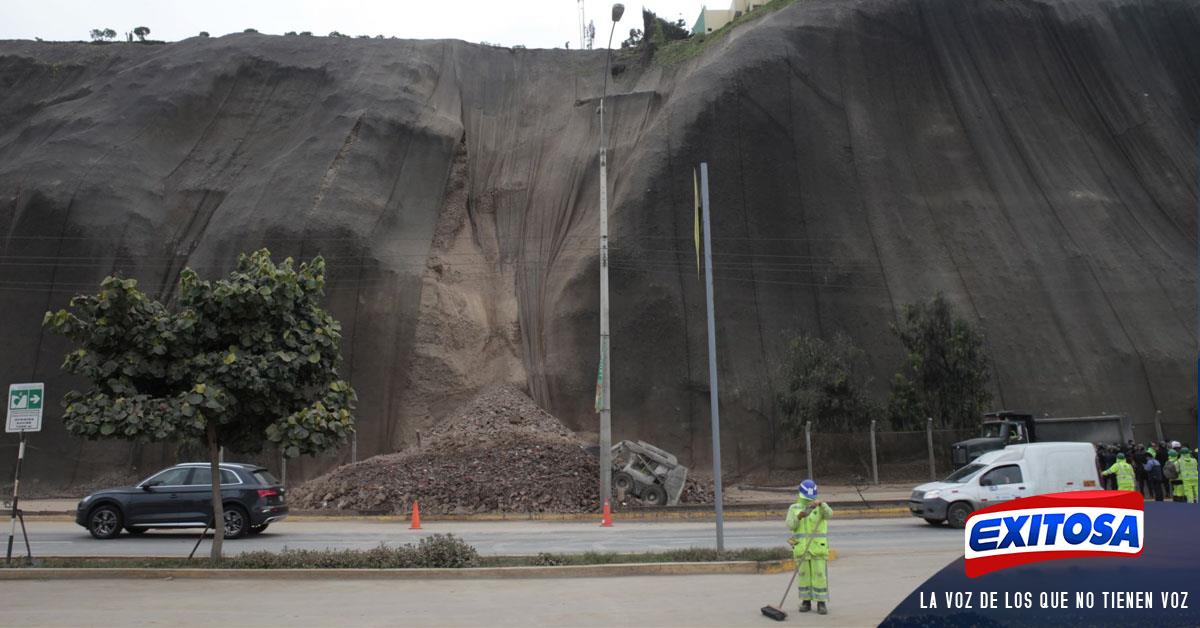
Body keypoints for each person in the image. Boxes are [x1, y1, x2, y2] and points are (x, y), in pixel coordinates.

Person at [786, 479, 833, 615]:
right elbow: (790, 525)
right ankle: (806, 602)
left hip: (818, 548)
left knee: (820, 576)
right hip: (801, 548)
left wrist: (822, 504)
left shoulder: (820, 507)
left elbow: (829, 514)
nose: (808, 500)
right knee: (804, 576)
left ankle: (821, 603)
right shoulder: (794, 508)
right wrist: (798, 517)